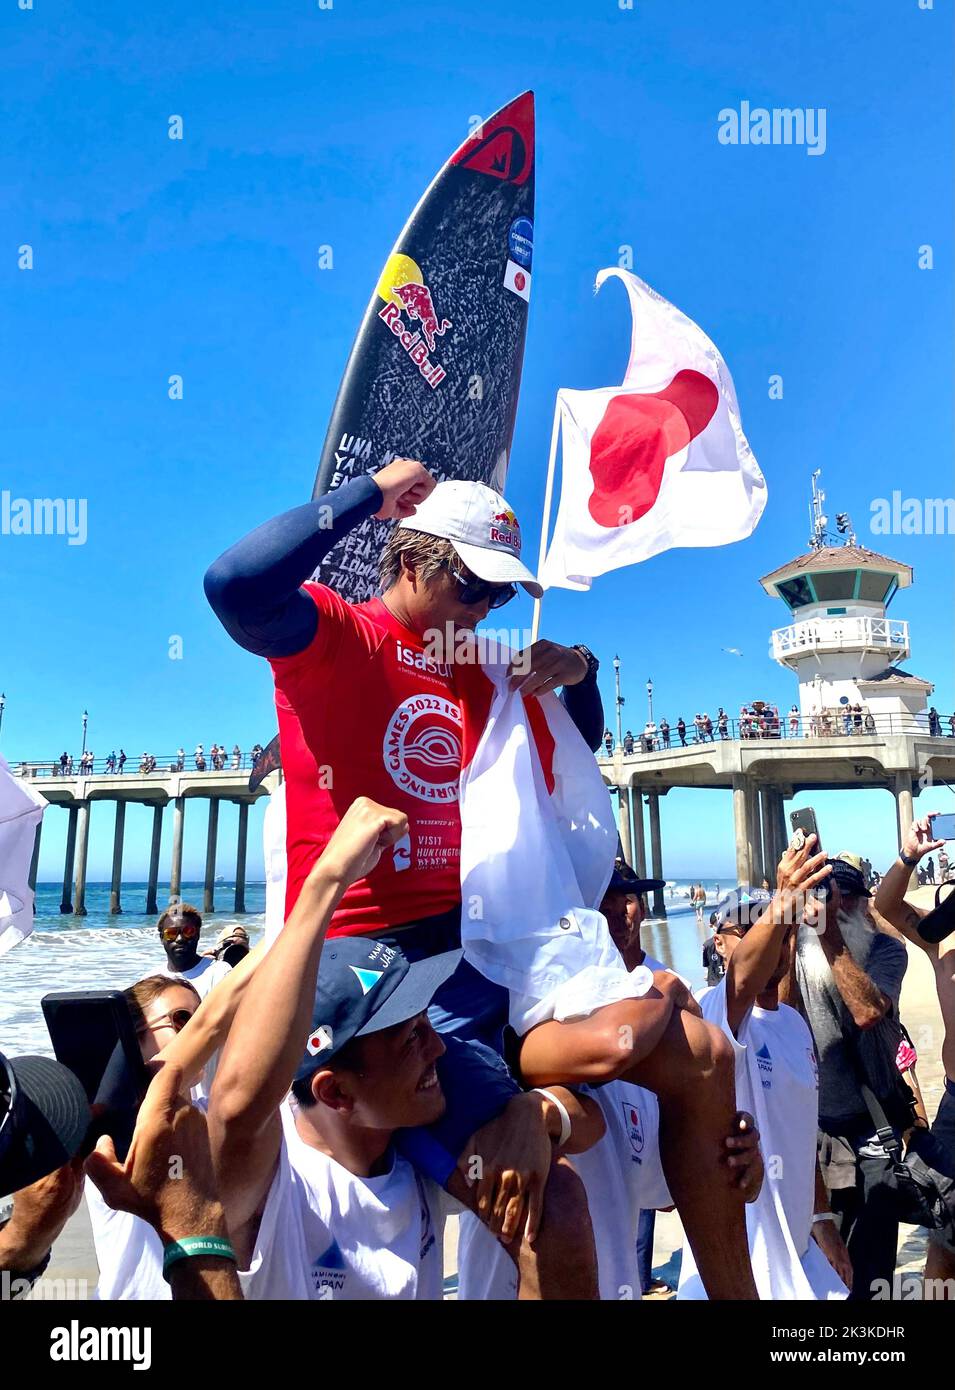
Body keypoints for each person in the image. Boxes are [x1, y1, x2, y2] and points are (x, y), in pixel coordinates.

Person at [204, 461, 602, 1058]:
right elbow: (234, 585)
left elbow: (576, 756)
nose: (486, 608)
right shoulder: (340, 636)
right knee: (481, 1127)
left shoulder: (479, 662)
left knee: (643, 1039)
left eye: (501, 594)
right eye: (473, 585)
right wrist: (369, 493)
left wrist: (582, 671)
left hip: (467, 945)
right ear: (414, 562)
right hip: (352, 947)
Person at [210, 796, 604, 1300]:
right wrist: (327, 880)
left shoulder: (407, 1142)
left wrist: (535, 1111)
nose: (438, 1047)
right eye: (410, 1038)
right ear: (335, 1093)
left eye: (426, 1023)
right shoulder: (275, 1184)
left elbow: (591, 1122)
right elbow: (237, 1107)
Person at [679, 860, 852, 1300]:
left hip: (800, 1256)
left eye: (782, 930)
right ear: (719, 943)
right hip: (741, 1265)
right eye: (750, 928)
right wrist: (782, 903)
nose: (775, 940)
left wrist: (821, 1220)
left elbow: (799, 1133)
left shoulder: (795, 1025)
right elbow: (739, 985)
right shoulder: (712, 1014)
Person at [794, 855, 911, 1299]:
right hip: (818, 1130)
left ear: (865, 906)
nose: (836, 911)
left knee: (875, 1260)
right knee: (827, 1259)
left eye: (845, 903)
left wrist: (830, 938)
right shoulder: (798, 950)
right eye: (828, 902)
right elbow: (779, 1012)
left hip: (874, 1124)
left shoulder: (887, 951)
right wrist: (792, 935)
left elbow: (867, 1011)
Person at [873, 815, 955, 1296]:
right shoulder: (942, 941)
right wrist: (908, 856)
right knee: (944, 1233)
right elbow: (885, 906)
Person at [86, 1063, 243, 1302]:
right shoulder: (126, 1134)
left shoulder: (202, 1113)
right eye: (172, 1023)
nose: (175, 1031)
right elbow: (173, 1062)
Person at [155, 903, 232, 1002]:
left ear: (198, 935)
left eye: (188, 931)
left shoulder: (219, 972)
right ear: (162, 938)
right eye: (171, 933)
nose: (180, 939)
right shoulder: (151, 979)